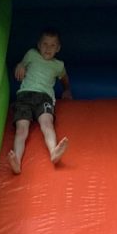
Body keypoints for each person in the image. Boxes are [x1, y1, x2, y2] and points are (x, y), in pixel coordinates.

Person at [8, 28, 72, 175]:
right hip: (24, 96)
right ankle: (17, 160)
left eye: (52, 45)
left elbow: (64, 79)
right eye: (45, 44)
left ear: (58, 48)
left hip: (44, 98)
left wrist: (67, 90)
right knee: (21, 129)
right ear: (38, 45)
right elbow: (22, 65)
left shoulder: (58, 65)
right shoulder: (31, 54)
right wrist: (20, 65)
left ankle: (54, 151)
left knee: (47, 123)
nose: (48, 48)